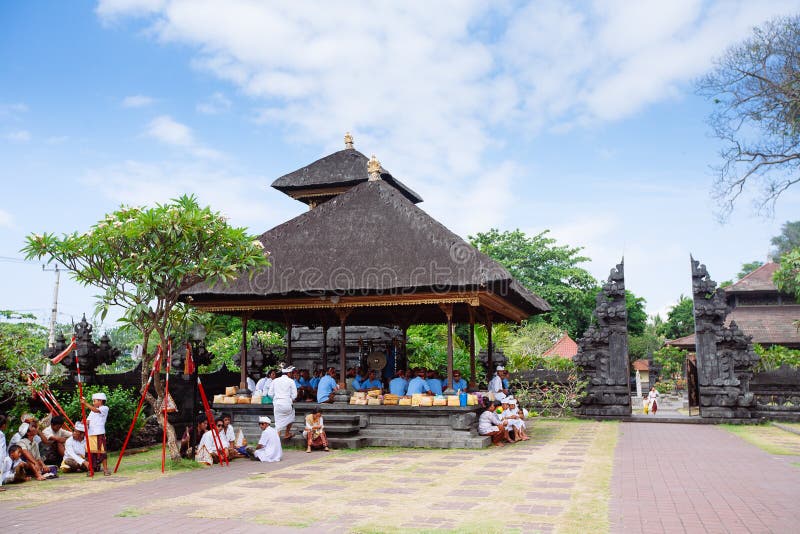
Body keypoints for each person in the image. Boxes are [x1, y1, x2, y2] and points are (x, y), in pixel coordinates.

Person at [83, 392, 111, 476]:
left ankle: (105, 469)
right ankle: (91, 469)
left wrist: (85, 403)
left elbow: (95, 410)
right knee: (90, 453)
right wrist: (83, 422)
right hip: (90, 434)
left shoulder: (105, 408)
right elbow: (88, 420)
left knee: (102, 452)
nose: (93, 403)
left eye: (94, 401)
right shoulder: (92, 411)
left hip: (99, 433)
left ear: (100, 401)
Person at [268, 366, 298, 439]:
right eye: (291, 373)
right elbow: (295, 395)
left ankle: (277, 443)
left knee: (278, 425)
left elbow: (270, 394)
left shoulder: (275, 381)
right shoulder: (291, 381)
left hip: (277, 404)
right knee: (291, 416)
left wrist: (276, 398)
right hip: (287, 403)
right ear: (288, 373)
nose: (292, 375)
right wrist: (290, 399)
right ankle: (287, 433)